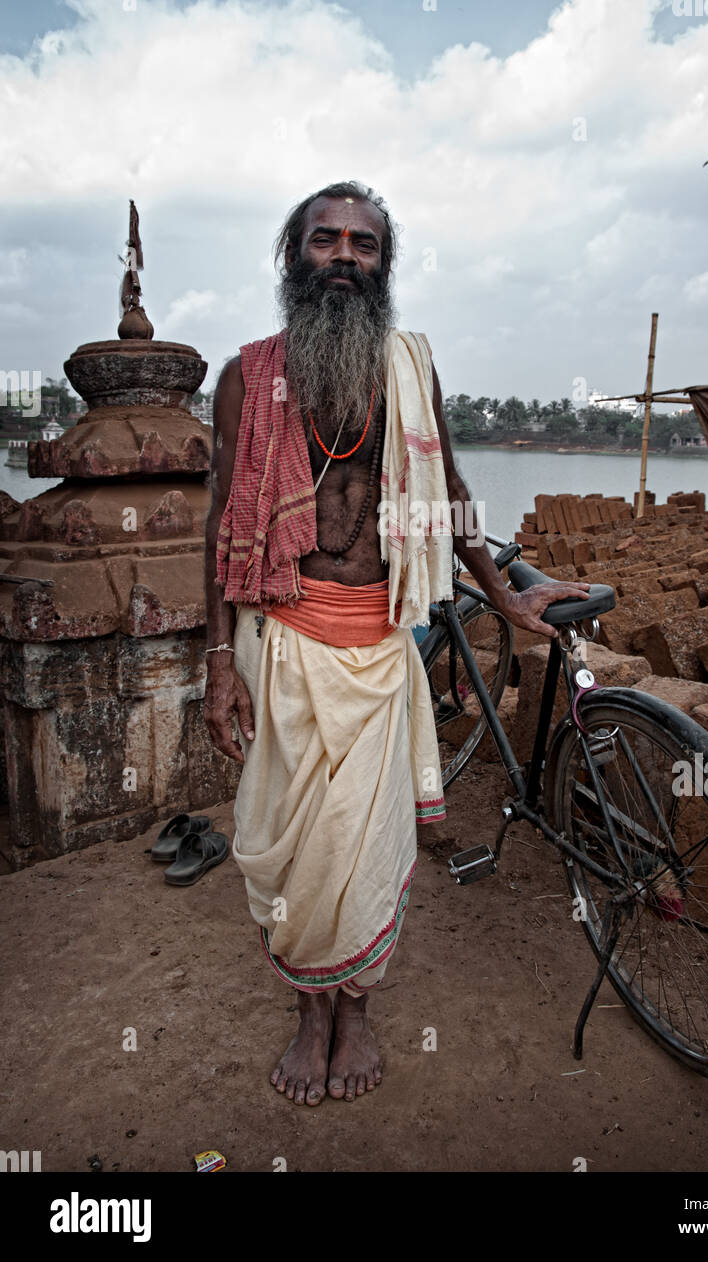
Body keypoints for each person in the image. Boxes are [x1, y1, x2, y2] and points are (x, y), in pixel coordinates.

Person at [204, 180, 589, 1106]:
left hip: (379, 642)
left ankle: (358, 1008)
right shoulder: (246, 376)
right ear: (292, 258)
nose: (343, 256)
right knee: (296, 850)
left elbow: (451, 492)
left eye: (363, 245)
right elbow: (219, 521)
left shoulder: (409, 366)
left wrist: (505, 595)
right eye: (325, 240)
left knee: (365, 842)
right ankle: (310, 1013)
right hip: (281, 638)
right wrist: (216, 664)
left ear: (383, 265)